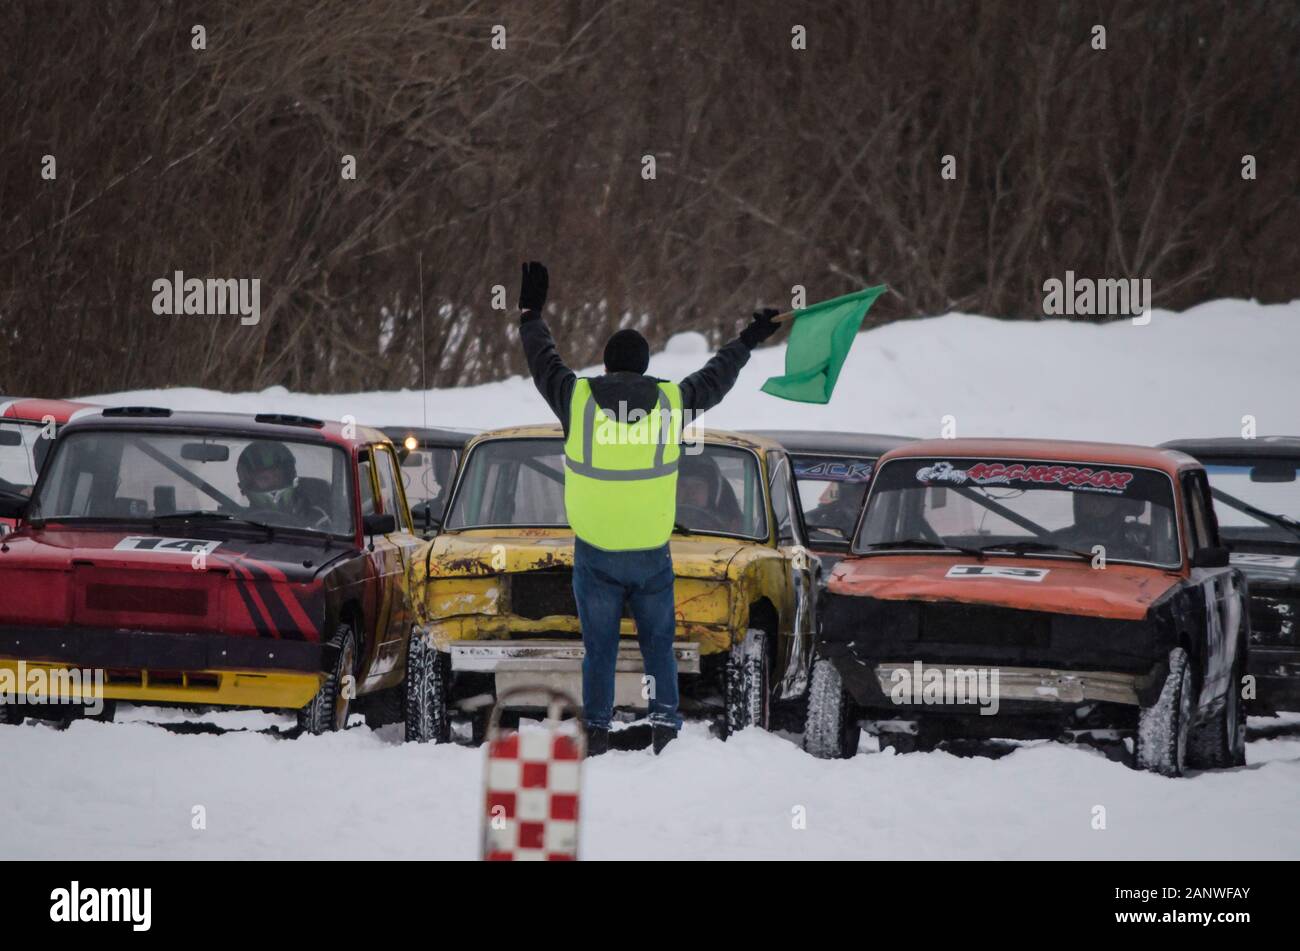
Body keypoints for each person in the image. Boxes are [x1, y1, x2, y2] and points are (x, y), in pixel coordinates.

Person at [517, 260, 781, 755]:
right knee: (658, 645)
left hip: (595, 551)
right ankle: (664, 723)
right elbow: (716, 376)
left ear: (606, 363)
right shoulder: (671, 402)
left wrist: (531, 313)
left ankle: (596, 727)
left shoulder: (576, 399)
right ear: (642, 364)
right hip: (650, 553)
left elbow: (542, 360)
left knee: (600, 649)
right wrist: (748, 338)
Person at [236, 441, 332, 529]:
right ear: (248, 483)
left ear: (288, 476)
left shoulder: (316, 518)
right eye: (264, 479)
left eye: (277, 476)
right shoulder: (237, 525)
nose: (273, 482)